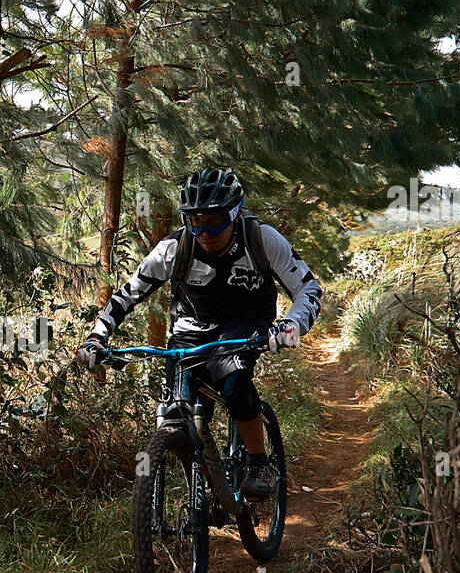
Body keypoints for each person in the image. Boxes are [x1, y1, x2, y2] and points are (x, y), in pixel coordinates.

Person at [76, 168, 323, 499]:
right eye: (195, 222)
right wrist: (97, 337)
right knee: (178, 412)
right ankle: (207, 484)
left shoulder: (261, 239)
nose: (205, 231)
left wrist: (289, 327)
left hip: (244, 327)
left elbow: (308, 289)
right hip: (190, 332)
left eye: (215, 220)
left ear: (235, 214)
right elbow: (127, 295)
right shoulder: (174, 248)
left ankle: (258, 462)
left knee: (234, 383)